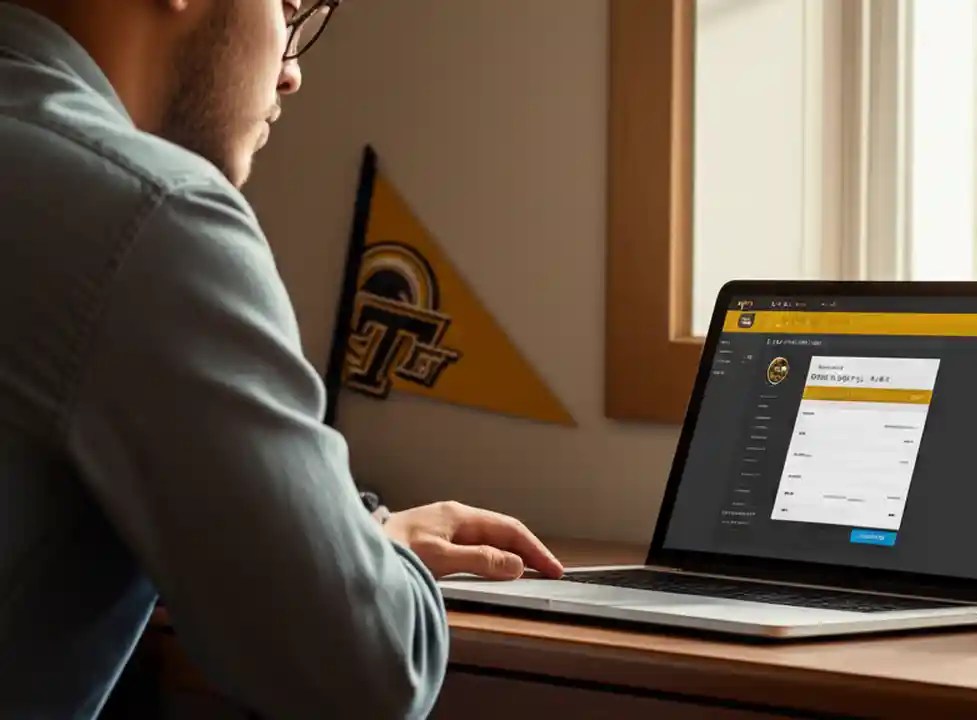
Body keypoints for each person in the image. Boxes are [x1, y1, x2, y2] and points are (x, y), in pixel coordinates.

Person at [0, 1, 564, 717]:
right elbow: (373, 677)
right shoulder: (149, 213)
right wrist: (365, 560)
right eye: (289, 9)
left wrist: (342, 538)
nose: (292, 73)